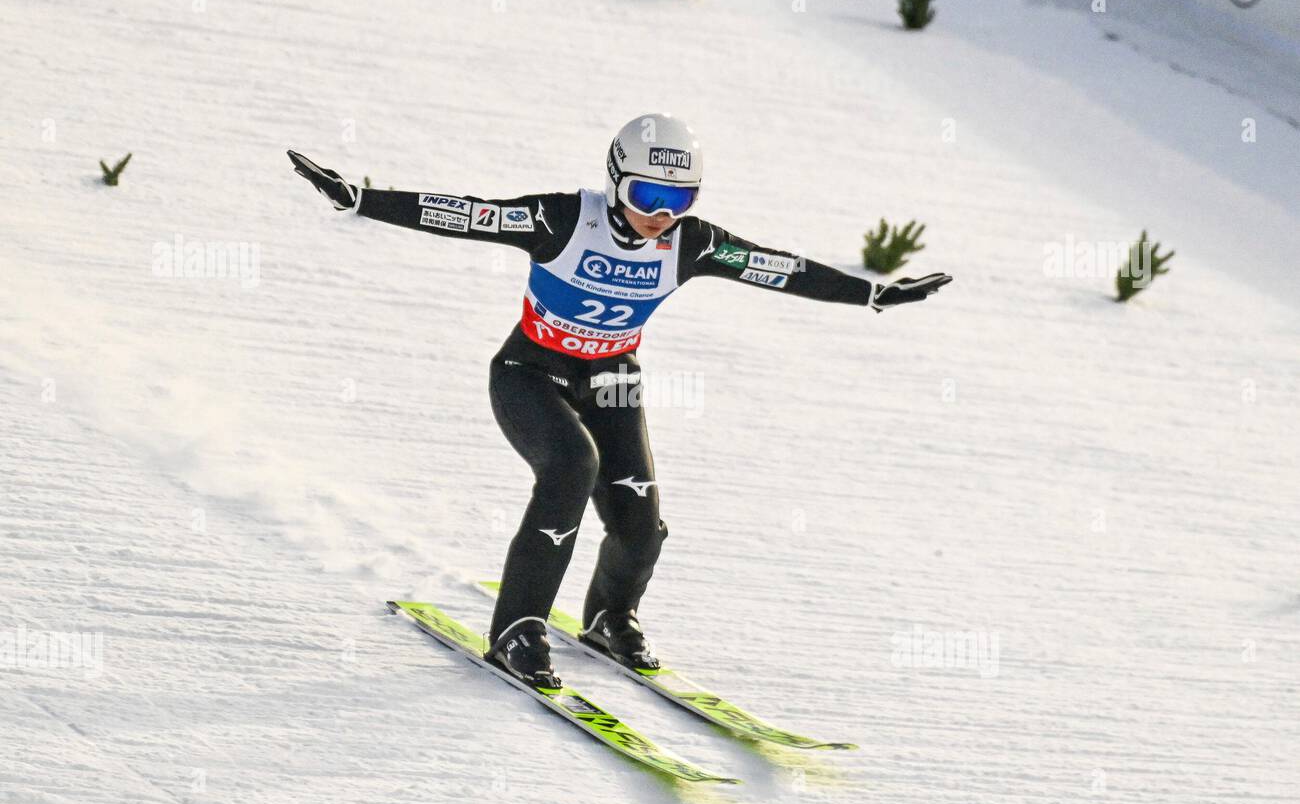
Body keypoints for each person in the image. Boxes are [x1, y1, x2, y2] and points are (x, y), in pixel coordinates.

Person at [288, 113, 952, 689]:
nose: (662, 214)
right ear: (616, 180)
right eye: (648, 195)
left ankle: (611, 616)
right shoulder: (562, 218)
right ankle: (519, 627)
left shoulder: (688, 242)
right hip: (529, 373)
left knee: (640, 521)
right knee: (571, 467)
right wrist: (359, 200)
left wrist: (872, 292)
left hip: (613, 379)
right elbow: (466, 215)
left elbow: (777, 269)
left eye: (679, 198)